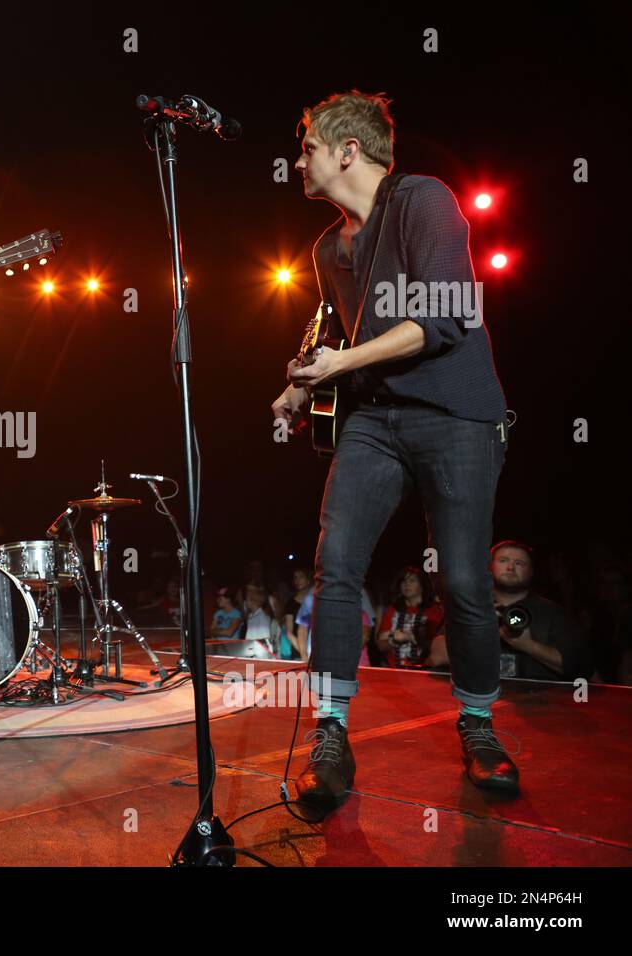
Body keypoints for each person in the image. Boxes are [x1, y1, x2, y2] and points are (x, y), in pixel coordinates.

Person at [272, 91, 517, 809]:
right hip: (375, 419)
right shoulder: (326, 248)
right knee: (336, 565)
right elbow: (342, 332)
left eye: (309, 145)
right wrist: (295, 385)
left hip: (455, 415)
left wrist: (339, 366)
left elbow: (438, 321)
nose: (299, 160)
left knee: (466, 581)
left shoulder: (424, 202)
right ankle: (331, 733)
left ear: (348, 152)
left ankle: (478, 726)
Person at [488, 541, 593, 682]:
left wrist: (528, 645)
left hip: (538, 700)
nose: (510, 567)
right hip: (478, 699)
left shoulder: (553, 613)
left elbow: (581, 668)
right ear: (490, 567)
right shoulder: (471, 609)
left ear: (531, 572)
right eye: (503, 560)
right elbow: (447, 657)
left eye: (519, 563)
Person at [376, 567, 444, 667]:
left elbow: (439, 646)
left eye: (412, 580)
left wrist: (410, 637)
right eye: (403, 581)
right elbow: (380, 645)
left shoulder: (434, 610)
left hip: (424, 670)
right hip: (394, 671)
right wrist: (394, 641)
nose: (407, 584)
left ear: (422, 585)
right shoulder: (393, 609)